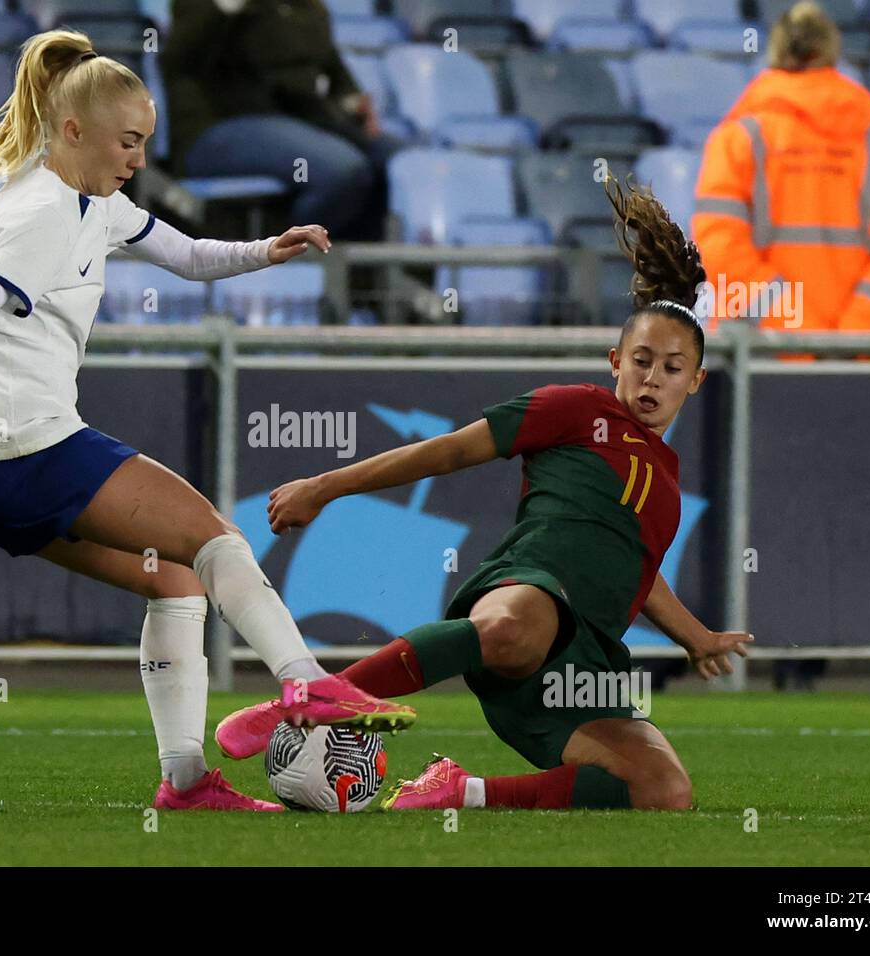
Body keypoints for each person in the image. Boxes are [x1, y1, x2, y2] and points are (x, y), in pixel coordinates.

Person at [0, 29, 415, 812]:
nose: (140, 159)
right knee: (218, 537)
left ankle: (185, 783)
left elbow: (189, 257)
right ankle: (307, 684)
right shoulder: (42, 210)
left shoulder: (98, 204)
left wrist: (268, 250)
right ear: (75, 130)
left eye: (146, 143)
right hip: (20, 450)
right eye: (129, 141)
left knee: (177, 579)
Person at [215, 177, 754, 811]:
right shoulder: (574, 409)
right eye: (641, 360)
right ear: (615, 360)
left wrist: (696, 636)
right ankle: (319, 696)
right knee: (515, 627)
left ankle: (457, 792)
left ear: (695, 380)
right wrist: (326, 486)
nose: (652, 378)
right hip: (524, 600)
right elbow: (445, 451)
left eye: (671, 368)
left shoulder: (665, 482)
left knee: (665, 791)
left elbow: (637, 571)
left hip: (583, 664)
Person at [693, 1, 870, 336]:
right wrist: (854, 334)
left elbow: (720, 248)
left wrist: (795, 329)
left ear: (776, 53)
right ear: (832, 53)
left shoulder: (735, 141)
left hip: (757, 360)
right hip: (858, 363)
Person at [161, 0, 400, 240]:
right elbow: (178, 60)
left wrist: (353, 101)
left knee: (399, 162)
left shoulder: (306, 8)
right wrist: (224, 9)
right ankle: (276, 254)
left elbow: (330, 65)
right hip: (218, 127)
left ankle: (364, 272)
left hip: (301, 123)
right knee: (344, 171)